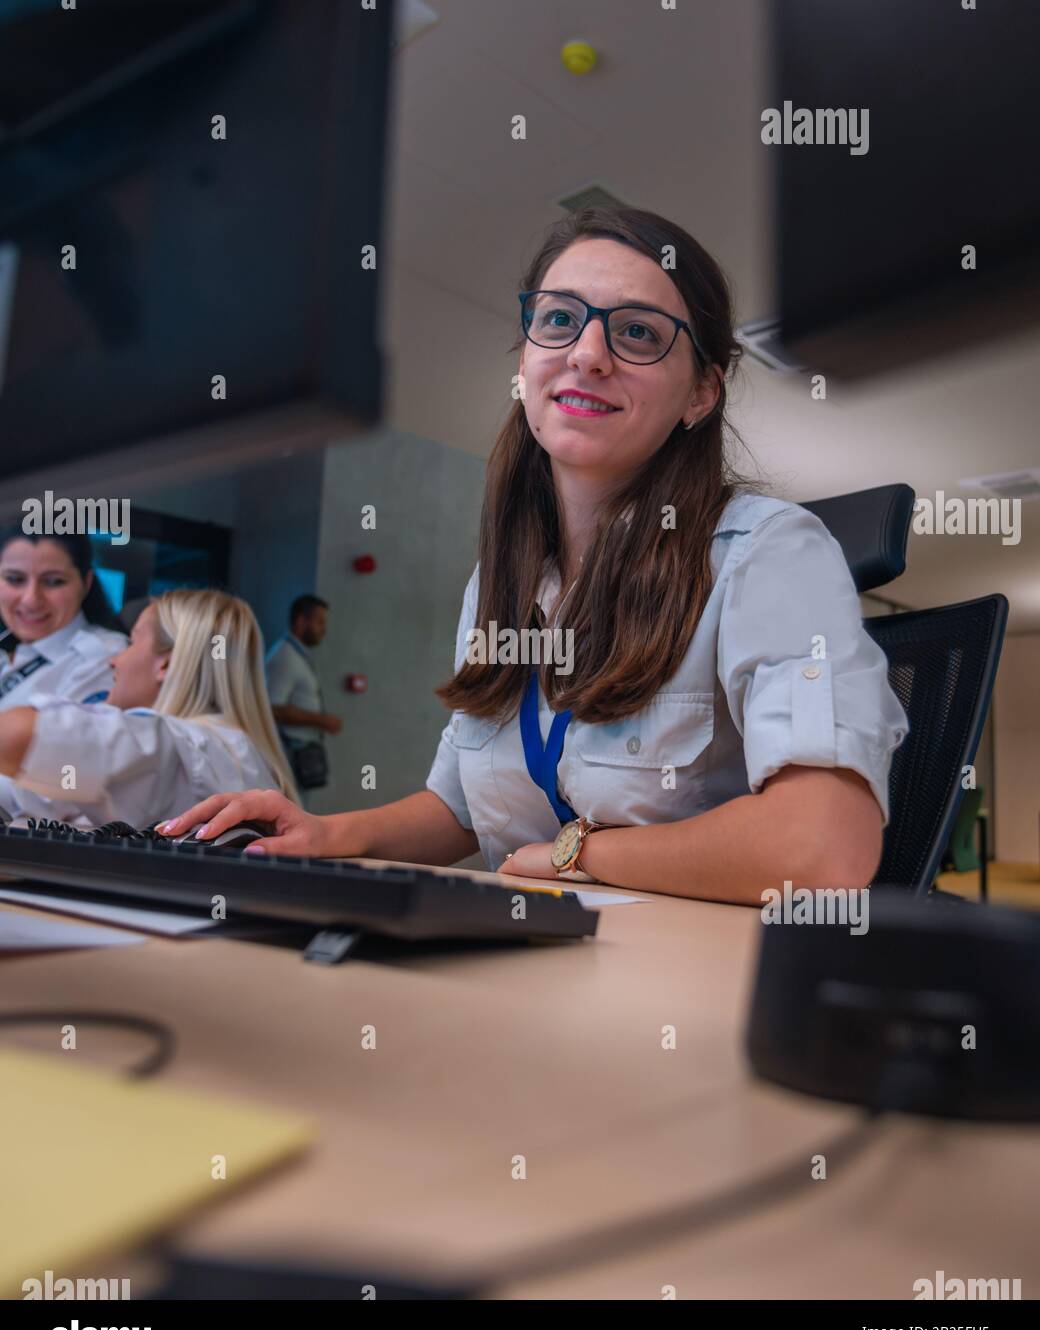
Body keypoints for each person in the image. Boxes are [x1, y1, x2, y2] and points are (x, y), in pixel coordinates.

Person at [161, 207, 908, 907]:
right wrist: (326, 834)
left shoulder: (767, 553)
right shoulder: (502, 581)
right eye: (559, 319)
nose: (587, 354)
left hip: (683, 990)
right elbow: (458, 809)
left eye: (639, 334)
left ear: (701, 394)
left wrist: (577, 854)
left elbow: (821, 846)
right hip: (535, 960)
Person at [0, 588, 297, 828]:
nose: (114, 660)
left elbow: (19, 735)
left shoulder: (182, 745)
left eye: (131, 642)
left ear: (165, 664)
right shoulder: (230, 747)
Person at [0, 528, 127, 709]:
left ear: (86, 583)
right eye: (14, 579)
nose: (31, 600)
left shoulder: (106, 658)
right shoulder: (9, 644)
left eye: (54, 582)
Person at [265, 595, 341, 798]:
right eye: (319, 622)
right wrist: (321, 720)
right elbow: (274, 709)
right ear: (301, 621)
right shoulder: (285, 657)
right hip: (287, 753)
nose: (324, 629)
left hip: (297, 754)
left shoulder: (295, 654)